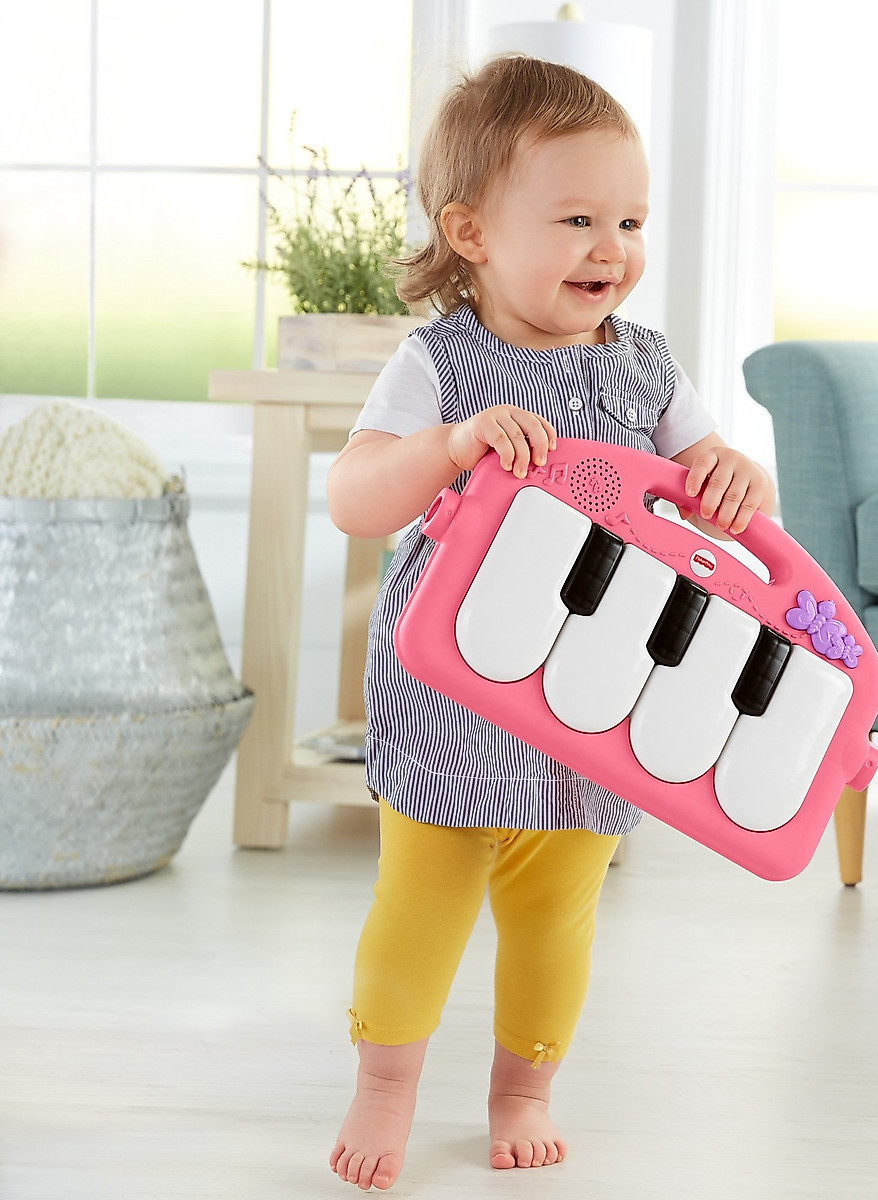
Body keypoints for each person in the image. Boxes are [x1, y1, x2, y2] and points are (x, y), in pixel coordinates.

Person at [325, 53, 775, 1191]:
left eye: (629, 220)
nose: (610, 247)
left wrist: (733, 476)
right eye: (577, 219)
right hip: (452, 695)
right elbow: (355, 498)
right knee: (420, 909)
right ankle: (385, 1085)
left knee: (555, 919)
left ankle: (524, 1089)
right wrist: (448, 445)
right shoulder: (439, 363)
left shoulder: (650, 372)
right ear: (470, 231)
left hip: (596, 699)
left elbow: (720, 501)